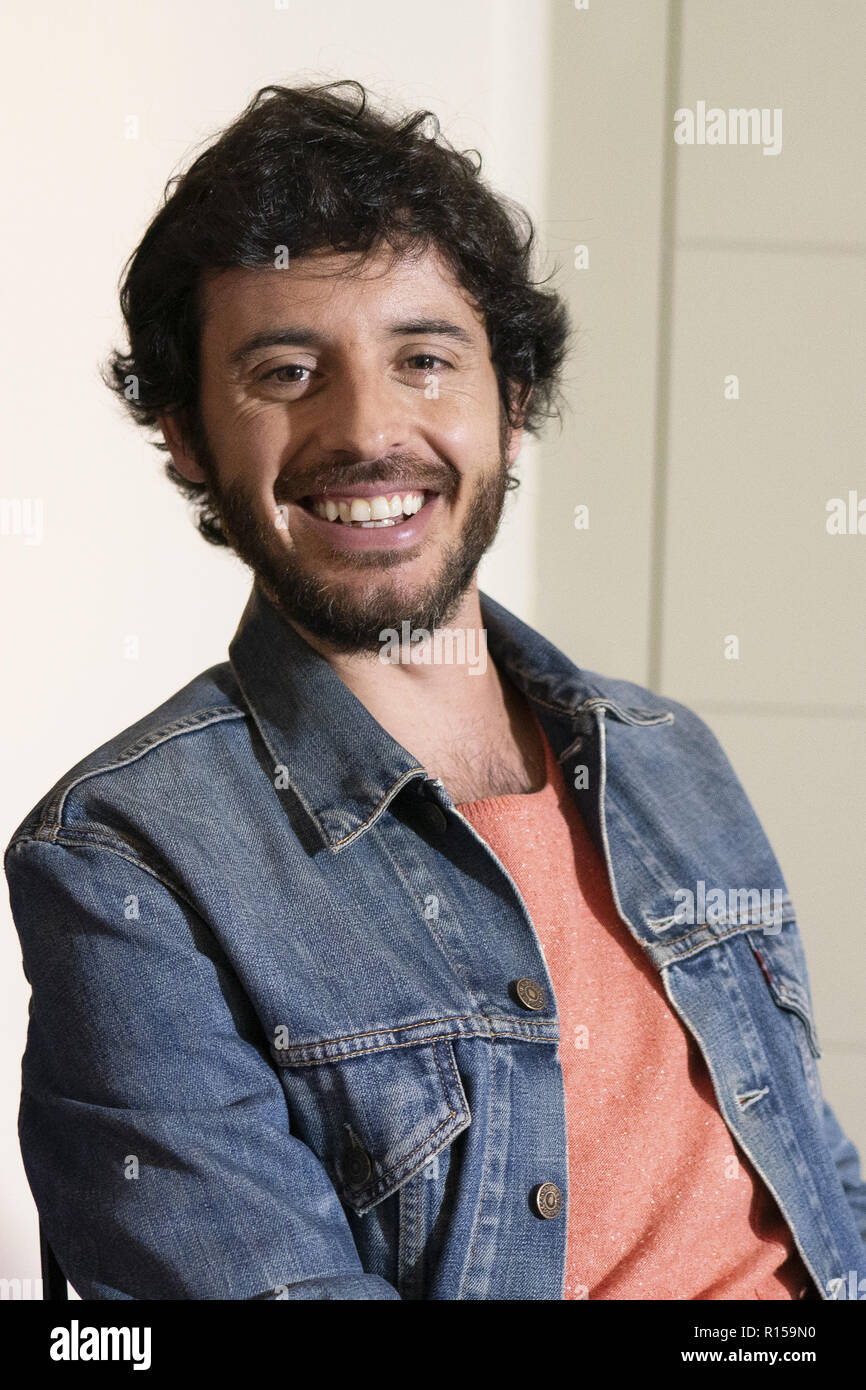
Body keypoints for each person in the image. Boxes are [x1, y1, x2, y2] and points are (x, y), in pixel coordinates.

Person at [5, 81, 864, 1301]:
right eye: (287, 370)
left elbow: (817, 1189)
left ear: (510, 405)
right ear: (186, 434)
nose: (368, 428)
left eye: (423, 358)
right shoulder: (127, 863)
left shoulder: (667, 755)